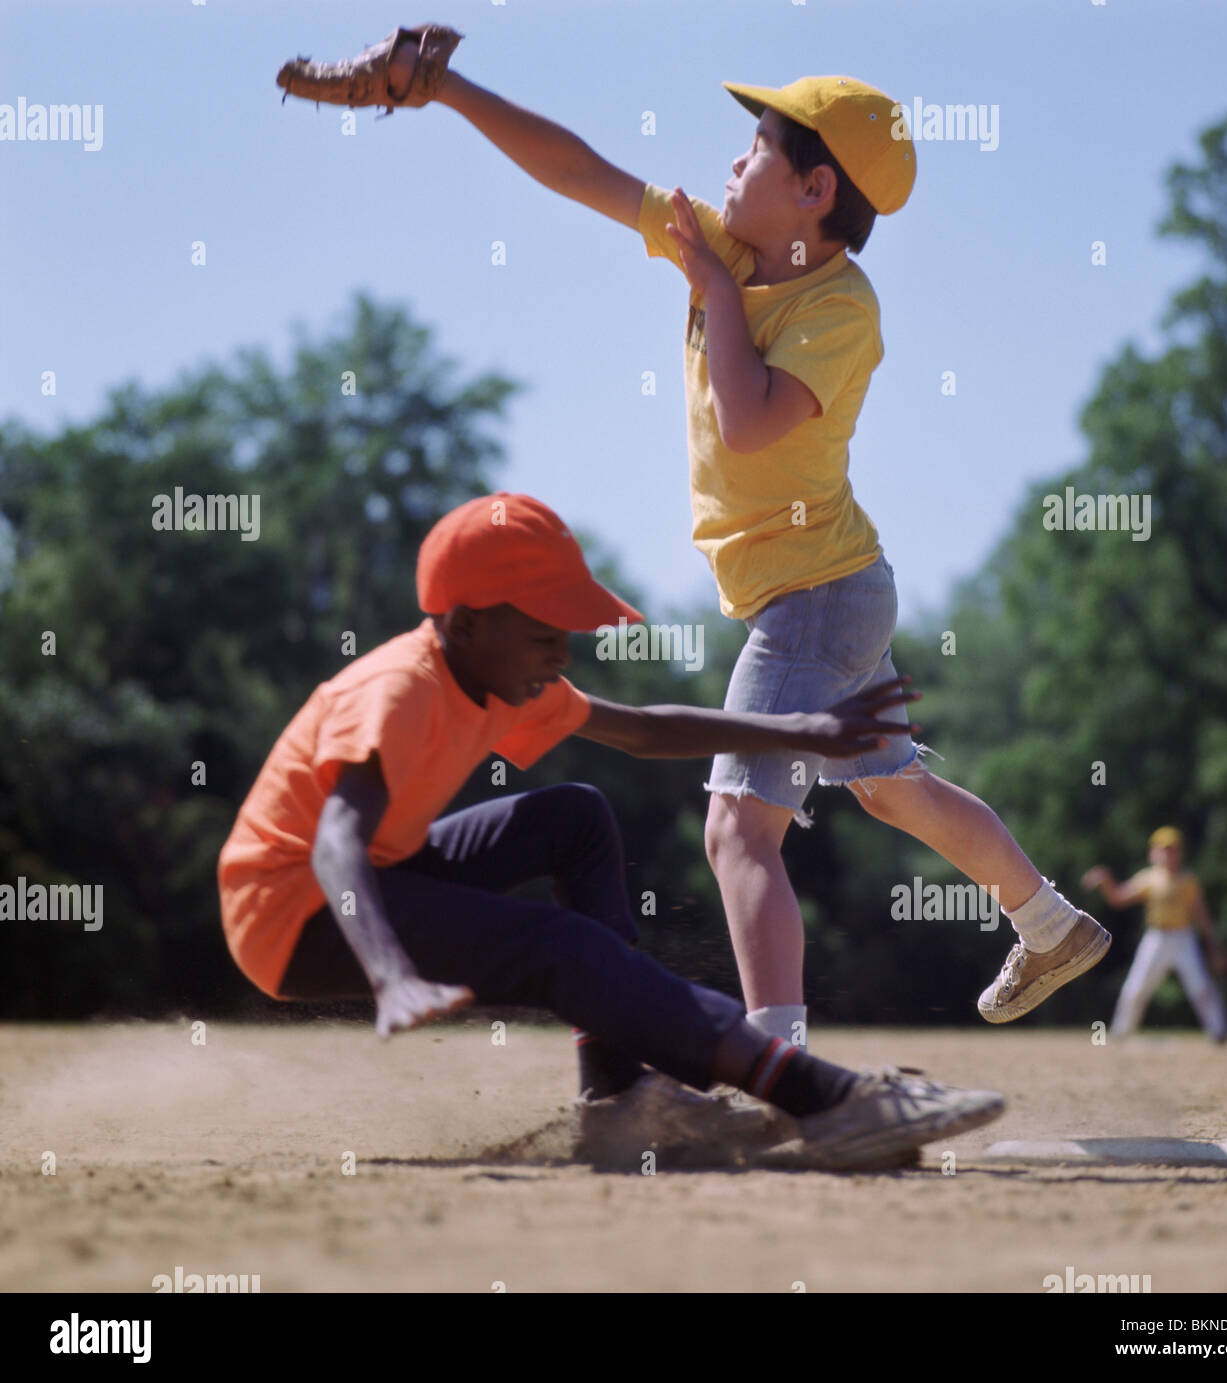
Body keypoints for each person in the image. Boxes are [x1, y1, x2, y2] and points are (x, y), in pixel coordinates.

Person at [416, 55, 1110, 1044]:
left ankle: (779, 1068)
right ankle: (1046, 923)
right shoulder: (731, 250)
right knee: (890, 787)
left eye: (755, 151)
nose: (730, 167)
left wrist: (709, 283)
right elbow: (580, 172)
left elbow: (747, 425)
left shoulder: (839, 310)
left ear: (815, 192)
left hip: (815, 599)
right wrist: (449, 90)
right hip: (834, 589)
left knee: (736, 826)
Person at [217, 492, 1005, 1169]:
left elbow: (643, 729)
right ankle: (823, 1098)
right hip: (296, 914)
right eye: (543, 634)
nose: (561, 654)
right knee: (561, 947)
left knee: (576, 817)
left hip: (383, 872)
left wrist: (805, 727)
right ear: (463, 624)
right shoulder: (397, 692)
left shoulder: (500, 675)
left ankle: (616, 1096)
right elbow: (333, 842)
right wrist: (388, 971)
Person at [1083, 827, 1227, 1043]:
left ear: (1180, 853)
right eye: (1163, 850)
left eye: (1172, 850)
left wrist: (1213, 946)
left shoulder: (1188, 880)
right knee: (1136, 987)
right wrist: (1106, 881)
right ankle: (1121, 1032)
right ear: (1154, 854)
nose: (1168, 854)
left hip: (1183, 938)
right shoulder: (1149, 878)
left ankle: (1219, 1031)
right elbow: (1118, 898)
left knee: (1200, 987)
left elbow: (1201, 914)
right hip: (1157, 938)